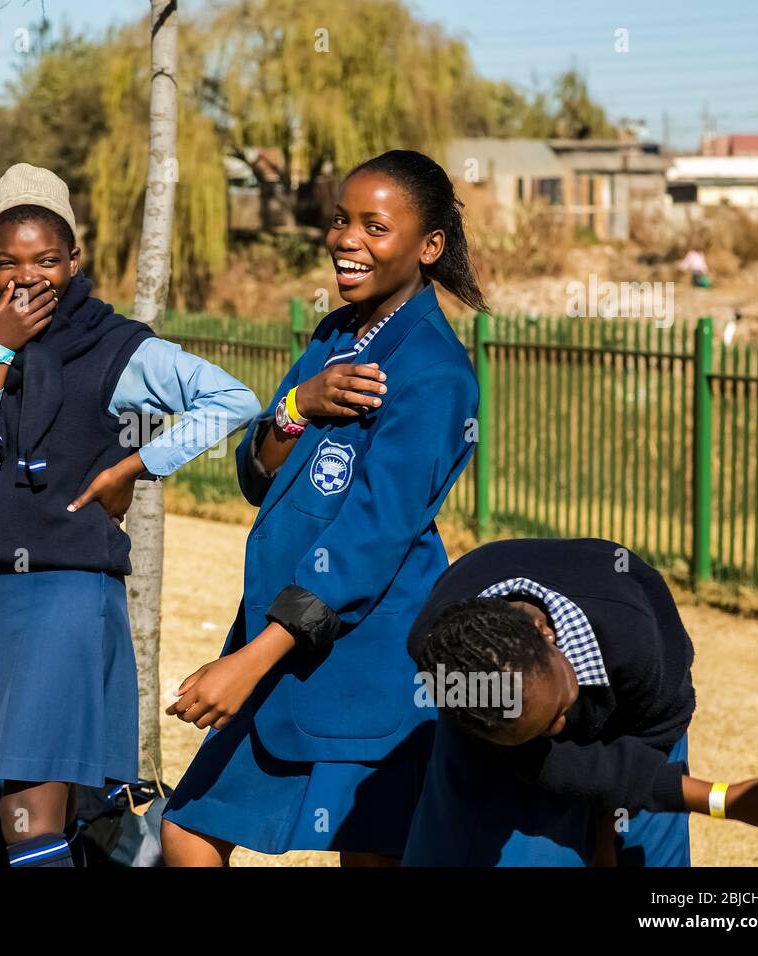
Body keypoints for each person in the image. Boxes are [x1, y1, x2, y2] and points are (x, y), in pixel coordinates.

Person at [0, 163, 259, 867]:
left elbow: (234, 401)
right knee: (11, 798)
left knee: (30, 814)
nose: (28, 279)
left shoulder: (117, 347)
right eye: (7, 263)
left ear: (74, 259)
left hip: (72, 593)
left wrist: (133, 467)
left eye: (47, 260)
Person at [160, 150, 482, 866]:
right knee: (187, 829)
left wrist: (250, 660)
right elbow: (258, 471)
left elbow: (373, 536)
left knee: (369, 852)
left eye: (375, 225)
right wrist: (297, 404)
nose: (347, 238)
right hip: (283, 644)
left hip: (366, 658)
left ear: (428, 247)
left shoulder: (436, 371)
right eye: (341, 219)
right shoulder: (332, 337)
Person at [402, 536, 758, 866]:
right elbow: (560, 766)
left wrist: (722, 800)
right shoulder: (453, 669)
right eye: (546, 730)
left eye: (561, 711)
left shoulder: (642, 648)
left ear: (546, 632)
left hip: (632, 709)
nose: (563, 731)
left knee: (650, 861)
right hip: (502, 730)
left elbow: (632, 766)